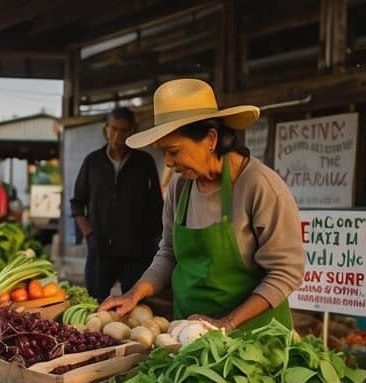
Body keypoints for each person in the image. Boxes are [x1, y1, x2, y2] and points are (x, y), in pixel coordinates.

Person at [100, 79, 304, 333]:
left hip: (253, 338)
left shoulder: (260, 186)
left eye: (174, 151)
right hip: (190, 334)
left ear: (210, 139)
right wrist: (134, 294)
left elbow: (286, 271)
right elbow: (168, 253)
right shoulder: (179, 187)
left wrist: (226, 323)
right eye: (163, 152)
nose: (168, 162)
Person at [70, 107, 163, 300]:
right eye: (113, 129)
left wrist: (154, 240)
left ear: (132, 131)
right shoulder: (92, 162)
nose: (118, 135)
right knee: (94, 304)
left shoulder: (144, 162)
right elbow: (77, 204)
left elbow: (156, 205)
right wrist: (90, 235)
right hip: (100, 249)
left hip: (137, 251)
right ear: (106, 129)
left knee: (137, 304)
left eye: (124, 130)